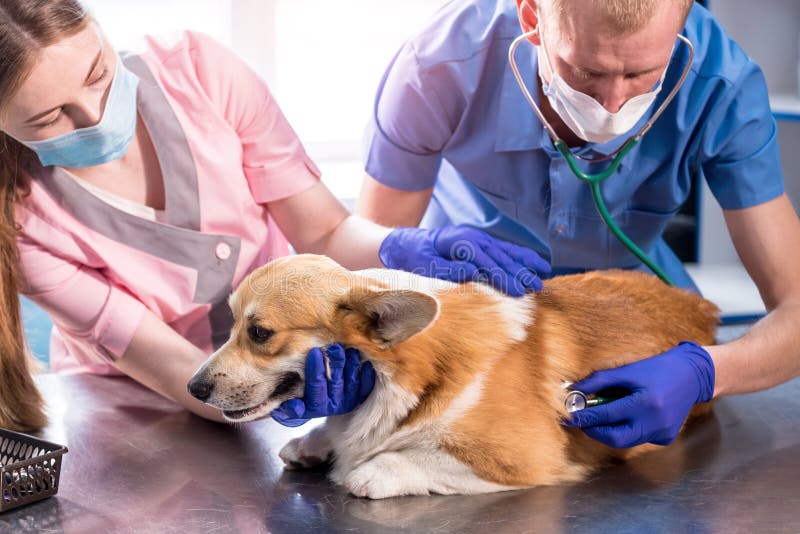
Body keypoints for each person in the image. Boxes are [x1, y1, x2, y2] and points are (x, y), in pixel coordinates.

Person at [0, 0, 551, 427]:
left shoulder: (199, 73)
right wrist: (288, 389)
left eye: (98, 74)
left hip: (276, 369)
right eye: (51, 118)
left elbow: (323, 231)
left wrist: (401, 248)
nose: (95, 115)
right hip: (136, 410)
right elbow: (175, 371)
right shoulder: (22, 225)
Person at [352, 0, 800, 448]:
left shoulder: (724, 86)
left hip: (624, 312)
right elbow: (365, 272)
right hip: (469, 302)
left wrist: (707, 372)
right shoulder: (438, 65)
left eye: (641, 74)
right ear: (532, 20)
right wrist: (408, 251)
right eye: (586, 72)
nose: (612, 105)